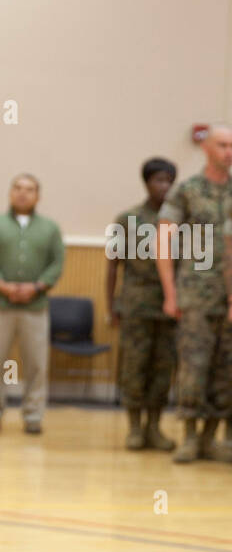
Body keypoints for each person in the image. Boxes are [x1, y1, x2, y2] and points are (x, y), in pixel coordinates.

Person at [157, 125, 232, 462]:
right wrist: (170, 294)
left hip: (229, 298)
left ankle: (211, 437)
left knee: (226, 368)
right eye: (222, 145)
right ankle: (189, 435)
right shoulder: (187, 190)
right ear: (206, 148)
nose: (228, 152)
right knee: (193, 365)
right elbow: (163, 242)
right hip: (195, 295)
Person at [0, 174, 64, 434]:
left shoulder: (50, 229)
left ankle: (33, 416)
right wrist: (2, 285)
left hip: (35, 308)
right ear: (10, 193)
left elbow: (56, 263)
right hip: (0, 306)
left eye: (29, 189)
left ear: (38, 196)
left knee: (36, 364)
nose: (23, 193)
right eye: (18, 188)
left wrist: (36, 287)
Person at [106, 158, 177, 450]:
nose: (164, 186)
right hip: (135, 302)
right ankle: (134, 428)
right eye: (158, 180)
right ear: (146, 182)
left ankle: (154, 428)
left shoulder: (178, 220)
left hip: (169, 306)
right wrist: (111, 306)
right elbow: (113, 265)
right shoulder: (127, 219)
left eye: (169, 181)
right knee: (134, 366)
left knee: (163, 367)